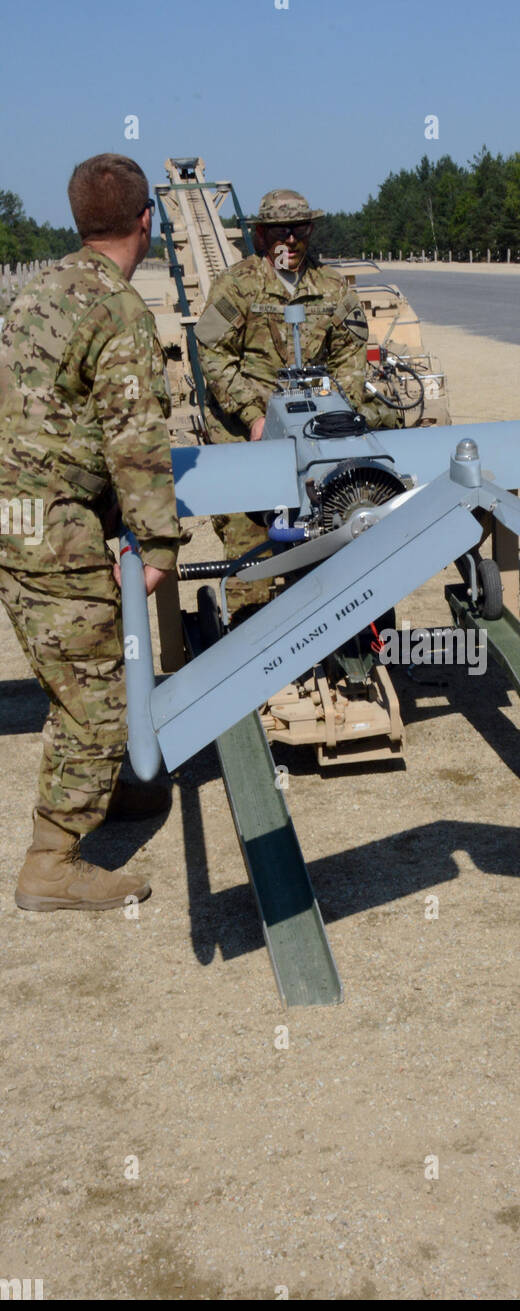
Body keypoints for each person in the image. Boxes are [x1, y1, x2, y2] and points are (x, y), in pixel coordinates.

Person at [0, 153, 182, 911]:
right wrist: (161, 545)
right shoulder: (118, 308)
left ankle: (121, 782)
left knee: (70, 667)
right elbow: (135, 439)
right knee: (96, 696)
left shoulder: (33, 287)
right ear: (148, 221)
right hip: (55, 528)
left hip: (16, 516)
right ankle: (52, 861)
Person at [194, 189, 375, 613]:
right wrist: (254, 416)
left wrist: (340, 414)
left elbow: (351, 352)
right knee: (250, 549)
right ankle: (249, 636)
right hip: (248, 437)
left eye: (300, 230)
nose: (290, 241)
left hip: (316, 437)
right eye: (280, 231)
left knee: (331, 536)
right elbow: (214, 357)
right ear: (261, 235)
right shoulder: (236, 286)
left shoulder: (331, 288)